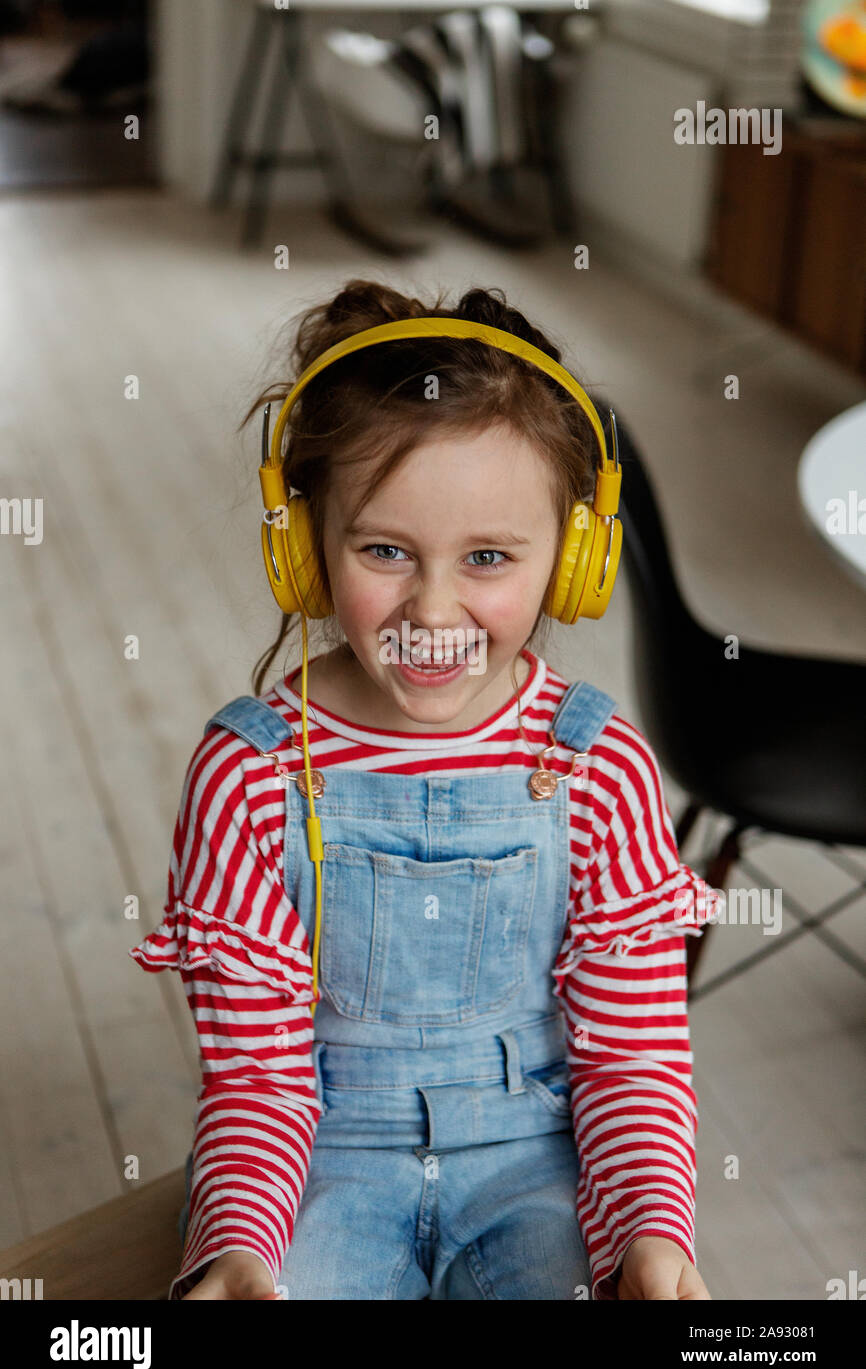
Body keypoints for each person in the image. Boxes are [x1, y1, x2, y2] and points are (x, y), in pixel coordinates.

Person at [129, 279, 720, 1301]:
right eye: (384, 550)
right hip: (320, 1153)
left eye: (488, 556)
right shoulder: (249, 772)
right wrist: (237, 1248)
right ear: (302, 550)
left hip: (536, 1154)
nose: (433, 607)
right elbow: (258, 1082)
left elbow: (631, 1063)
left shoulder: (598, 762)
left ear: (574, 559)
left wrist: (649, 1238)